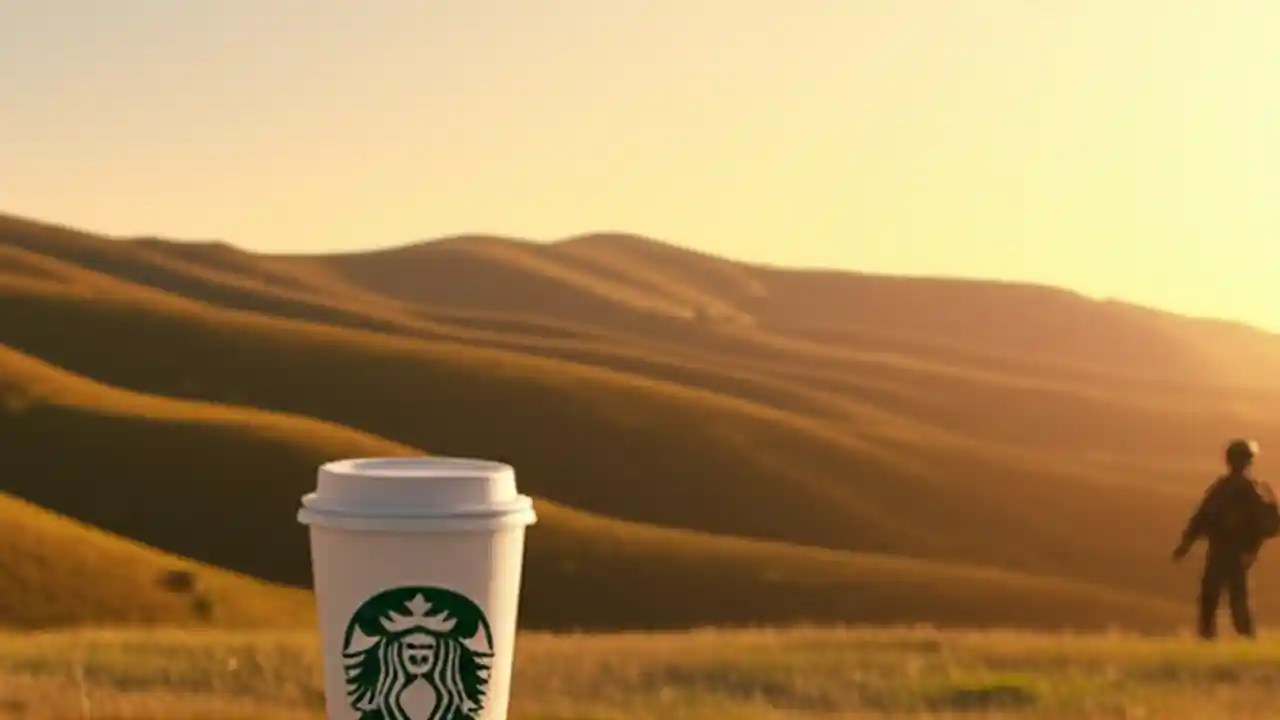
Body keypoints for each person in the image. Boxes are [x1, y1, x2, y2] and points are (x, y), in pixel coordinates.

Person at [1173, 439, 1278, 639]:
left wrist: (1185, 545)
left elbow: (1202, 517)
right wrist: (1250, 551)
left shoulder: (1222, 488)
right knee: (1236, 601)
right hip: (1236, 555)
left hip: (1221, 552)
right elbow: (1262, 527)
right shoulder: (1251, 490)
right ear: (1248, 461)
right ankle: (1247, 640)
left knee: (1211, 599)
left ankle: (1211, 640)